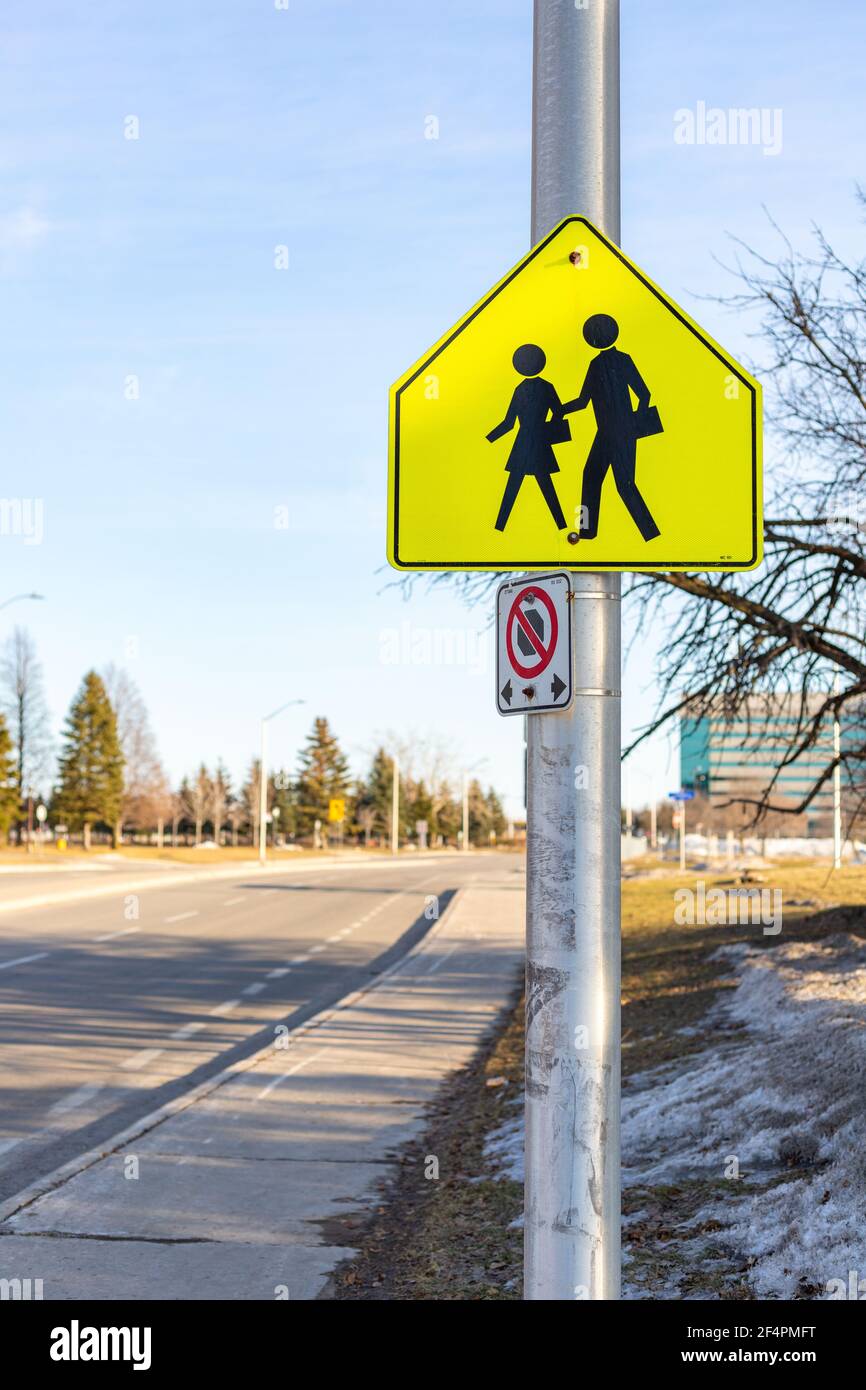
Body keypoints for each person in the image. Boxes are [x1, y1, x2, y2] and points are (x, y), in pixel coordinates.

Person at [563, 314, 661, 542]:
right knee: (591, 476)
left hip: (622, 432)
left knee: (624, 485)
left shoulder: (619, 361)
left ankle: (651, 534)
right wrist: (560, 410)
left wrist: (632, 424)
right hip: (606, 433)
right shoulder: (597, 364)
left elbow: (644, 393)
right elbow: (584, 400)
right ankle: (586, 533)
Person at [487, 343, 568, 533]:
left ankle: (500, 527)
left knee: (520, 486)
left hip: (525, 443)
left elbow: (509, 423)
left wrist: (490, 438)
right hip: (537, 441)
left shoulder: (520, 389)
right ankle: (561, 526)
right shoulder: (546, 387)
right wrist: (548, 430)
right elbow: (559, 412)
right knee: (540, 485)